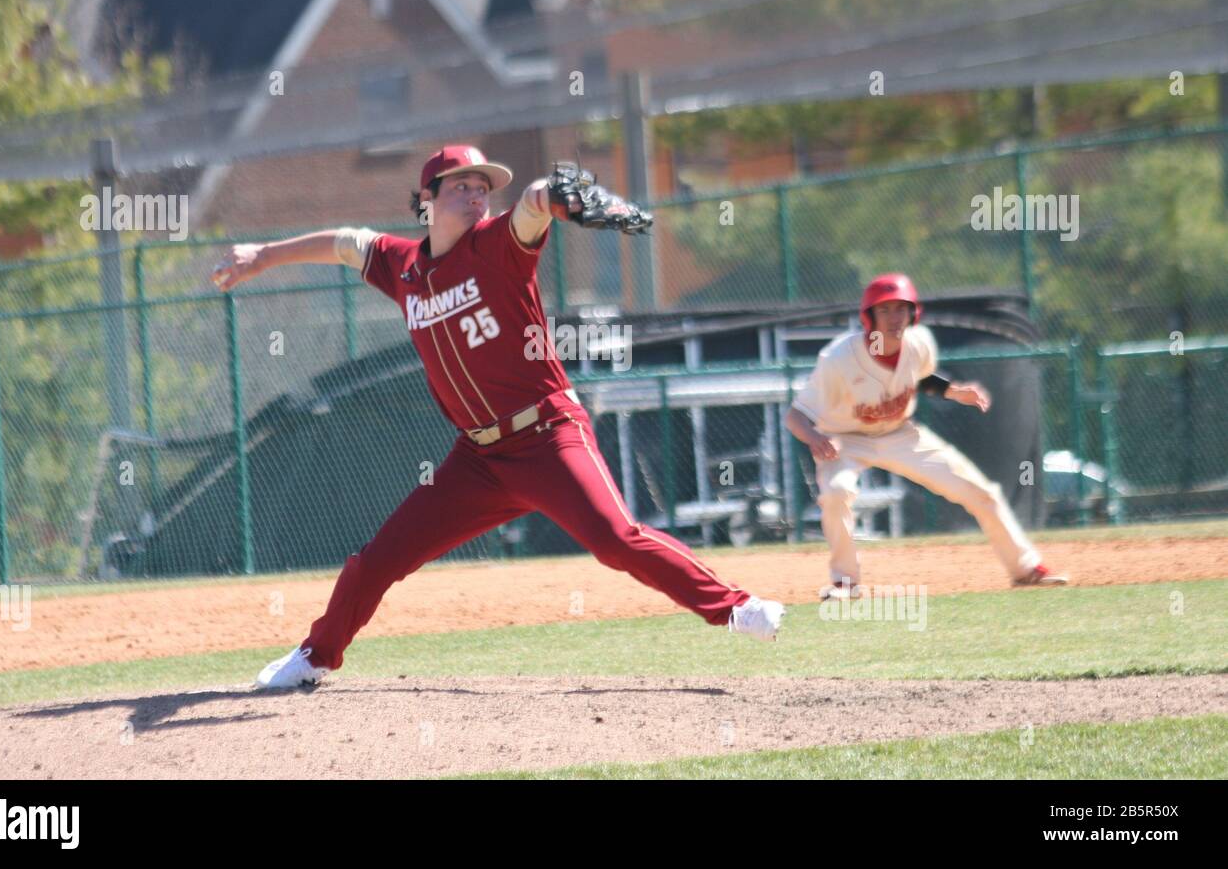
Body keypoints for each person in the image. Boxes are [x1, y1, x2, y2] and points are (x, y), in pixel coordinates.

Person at [210, 145, 786, 688]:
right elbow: (342, 243)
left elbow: (534, 204)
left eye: (482, 187)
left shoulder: (496, 246)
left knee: (615, 540)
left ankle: (735, 607)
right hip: (478, 460)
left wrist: (551, 193)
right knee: (377, 559)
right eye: (461, 185)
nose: (476, 195)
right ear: (427, 199)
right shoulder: (401, 265)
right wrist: (264, 256)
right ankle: (314, 657)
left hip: (548, 434)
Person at [782, 272, 1069, 599]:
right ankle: (845, 582)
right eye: (885, 310)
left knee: (981, 491)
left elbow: (917, 378)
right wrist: (814, 437)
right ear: (869, 316)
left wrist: (952, 391)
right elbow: (795, 415)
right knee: (836, 492)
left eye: (901, 309)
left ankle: (1026, 569)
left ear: (913, 313)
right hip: (845, 439)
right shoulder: (838, 359)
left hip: (899, 434)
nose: (894, 318)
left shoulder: (920, 344)